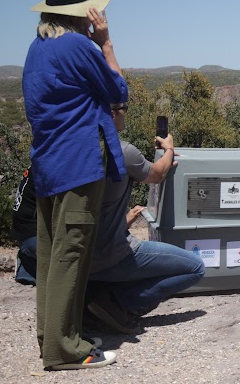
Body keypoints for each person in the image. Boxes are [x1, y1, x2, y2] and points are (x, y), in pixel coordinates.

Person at [23, 0, 127, 371]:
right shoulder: (79, 47)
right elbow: (118, 90)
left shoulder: (38, 48)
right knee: (72, 251)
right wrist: (105, 43)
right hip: (79, 162)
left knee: (53, 252)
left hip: (49, 162)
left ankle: (53, 335)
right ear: (83, 12)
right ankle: (65, 351)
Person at [86, 103, 204, 333]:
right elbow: (157, 174)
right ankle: (120, 306)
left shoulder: (74, 148)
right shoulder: (123, 151)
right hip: (114, 253)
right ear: (111, 113)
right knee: (195, 267)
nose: (125, 112)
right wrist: (168, 150)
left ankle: (95, 295)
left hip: (81, 256)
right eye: (123, 107)